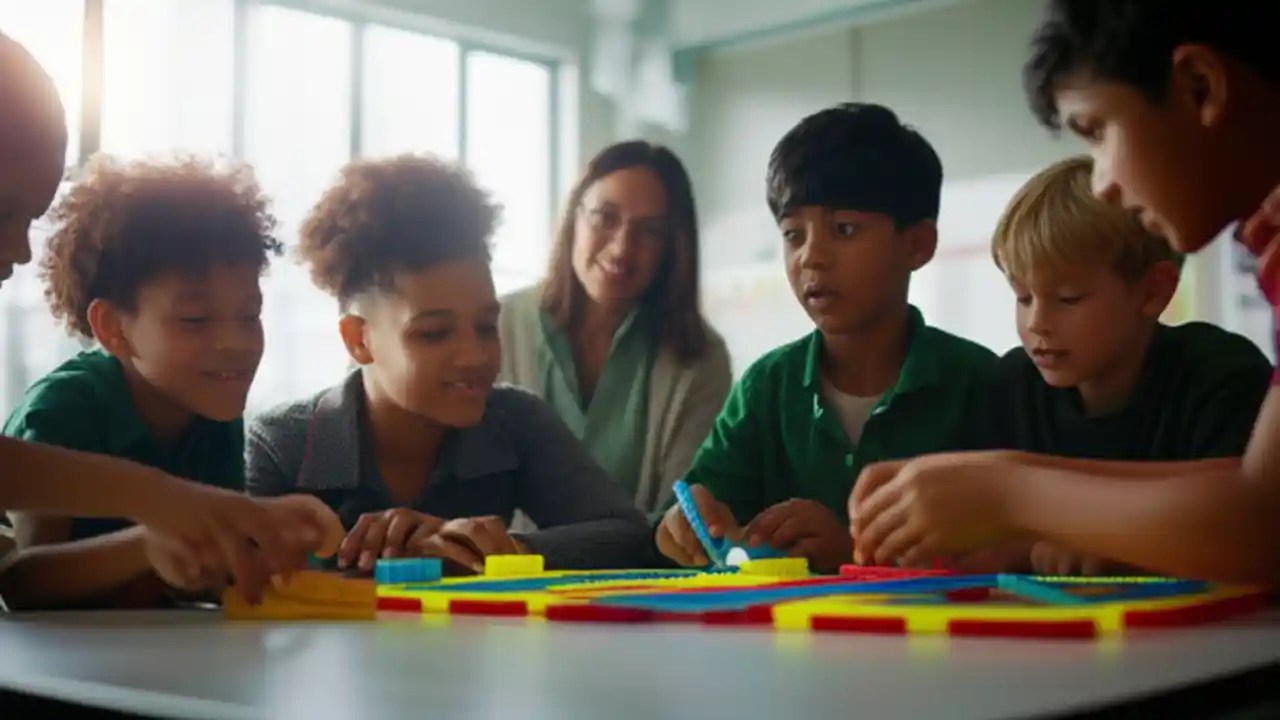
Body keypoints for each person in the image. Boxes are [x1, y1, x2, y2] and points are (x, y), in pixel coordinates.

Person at [850, 0, 1280, 584]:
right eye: (1023, 296)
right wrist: (1000, 488)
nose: (1102, 183)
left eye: (1098, 131)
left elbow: (1264, 524)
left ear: (1200, 87)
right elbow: (1250, 489)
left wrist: (1008, 491)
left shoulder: (1215, 370)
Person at [0, 31, 339, 608]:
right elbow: (19, 583)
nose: (232, 343)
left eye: (250, 315)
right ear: (113, 328)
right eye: (195, 319)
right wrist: (155, 530)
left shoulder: (212, 417)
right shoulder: (66, 408)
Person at [245, 155, 653, 573]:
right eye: (434, 333)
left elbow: (628, 535)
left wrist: (493, 551)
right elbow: (240, 575)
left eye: (486, 327)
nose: (475, 356)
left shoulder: (515, 422)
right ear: (358, 340)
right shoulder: (283, 445)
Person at [656, 104, 997, 573]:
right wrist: (682, 525)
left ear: (917, 244)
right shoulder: (766, 388)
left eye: (844, 230)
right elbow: (697, 512)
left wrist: (853, 557)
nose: (811, 257)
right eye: (793, 235)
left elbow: (1018, 558)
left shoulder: (984, 385)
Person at [968, 155, 1269, 574]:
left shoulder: (1222, 378)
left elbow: (1251, 530)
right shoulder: (1008, 388)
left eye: (1068, 298)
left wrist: (1114, 545)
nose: (1037, 322)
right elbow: (977, 538)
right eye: (1023, 297)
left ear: (1153, 292)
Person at [498, 141, 731, 517]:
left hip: (643, 558)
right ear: (574, 217)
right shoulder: (495, 327)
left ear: (673, 247)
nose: (622, 248)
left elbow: (679, 519)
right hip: (500, 557)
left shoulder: (700, 359)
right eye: (605, 218)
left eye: (650, 231)